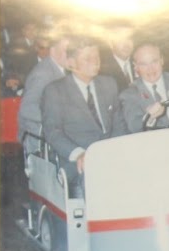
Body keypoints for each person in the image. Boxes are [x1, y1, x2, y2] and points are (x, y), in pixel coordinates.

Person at [39, 38, 120, 182]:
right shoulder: (55, 91)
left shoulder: (109, 84)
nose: (95, 62)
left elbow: (119, 123)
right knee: (98, 178)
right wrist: (79, 154)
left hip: (111, 155)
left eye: (97, 57)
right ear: (71, 63)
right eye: (87, 59)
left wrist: (120, 149)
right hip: (75, 160)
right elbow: (52, 131)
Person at [18, 34, 70, 139]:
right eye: (66, 51)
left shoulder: (63, 69)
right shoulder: (43, 74)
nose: (70, 55)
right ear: (53, 51)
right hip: (38, 137)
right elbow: (27, 109)